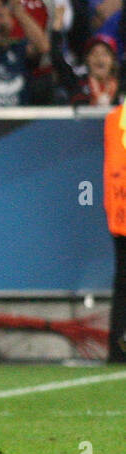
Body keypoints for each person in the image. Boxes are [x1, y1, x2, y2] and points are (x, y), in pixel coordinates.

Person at [103, 97, 126, 364]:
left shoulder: (113, 119)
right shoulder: (112, 120)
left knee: (122, 285)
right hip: (120, 213)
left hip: (119, 213)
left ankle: (119, 351)